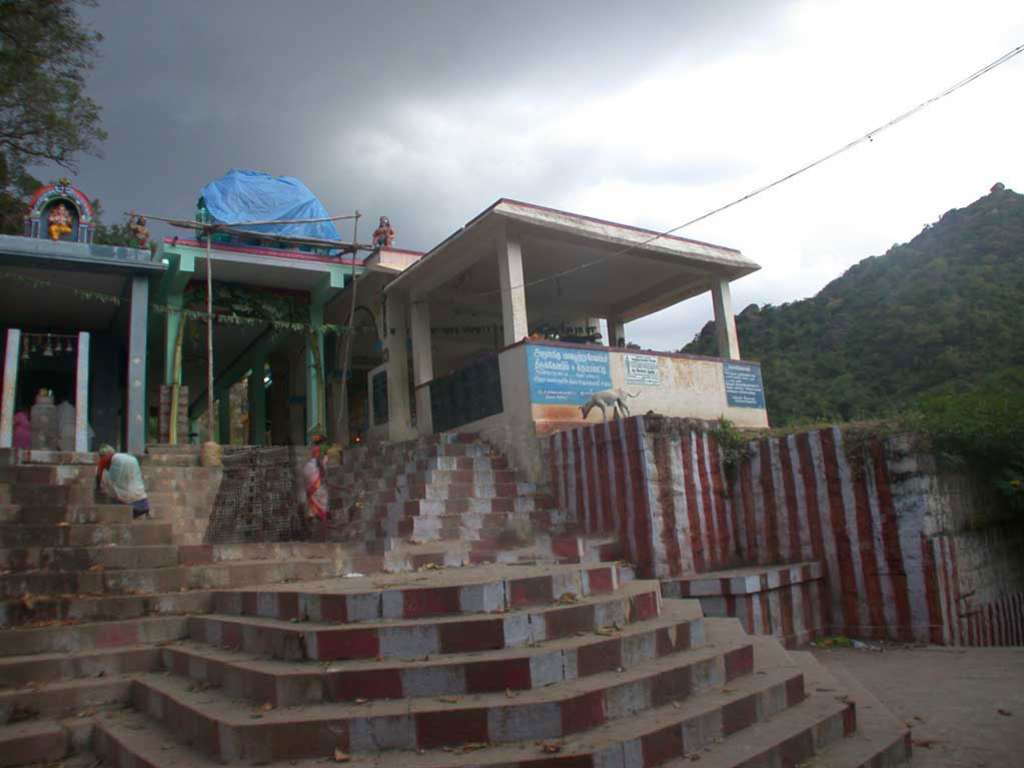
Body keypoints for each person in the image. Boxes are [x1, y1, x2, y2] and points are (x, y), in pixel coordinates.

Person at [95, 445, 151, 519]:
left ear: (106, 455)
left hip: (131, 498)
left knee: (116, 488)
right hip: (141, 499)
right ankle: (141, 508)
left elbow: (104, 475)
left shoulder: (115, 460)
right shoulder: (126, 458)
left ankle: (132, 508)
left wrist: (99, 486)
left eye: (102, 457)